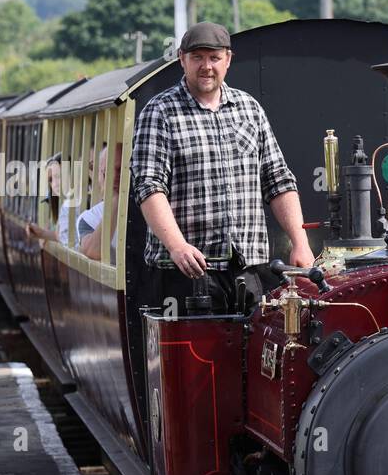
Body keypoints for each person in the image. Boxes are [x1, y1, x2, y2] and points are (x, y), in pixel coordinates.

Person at [131, 22, 312, 312]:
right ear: (182, 59)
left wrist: (300, 242)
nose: (206, 66)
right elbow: (149, 187)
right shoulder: (160, 111)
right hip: (184, 272)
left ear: (228, 59)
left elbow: (278, 180)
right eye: (197, 58)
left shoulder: (249, 109)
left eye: (214, 58)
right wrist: (177, 246)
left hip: (248, 270)